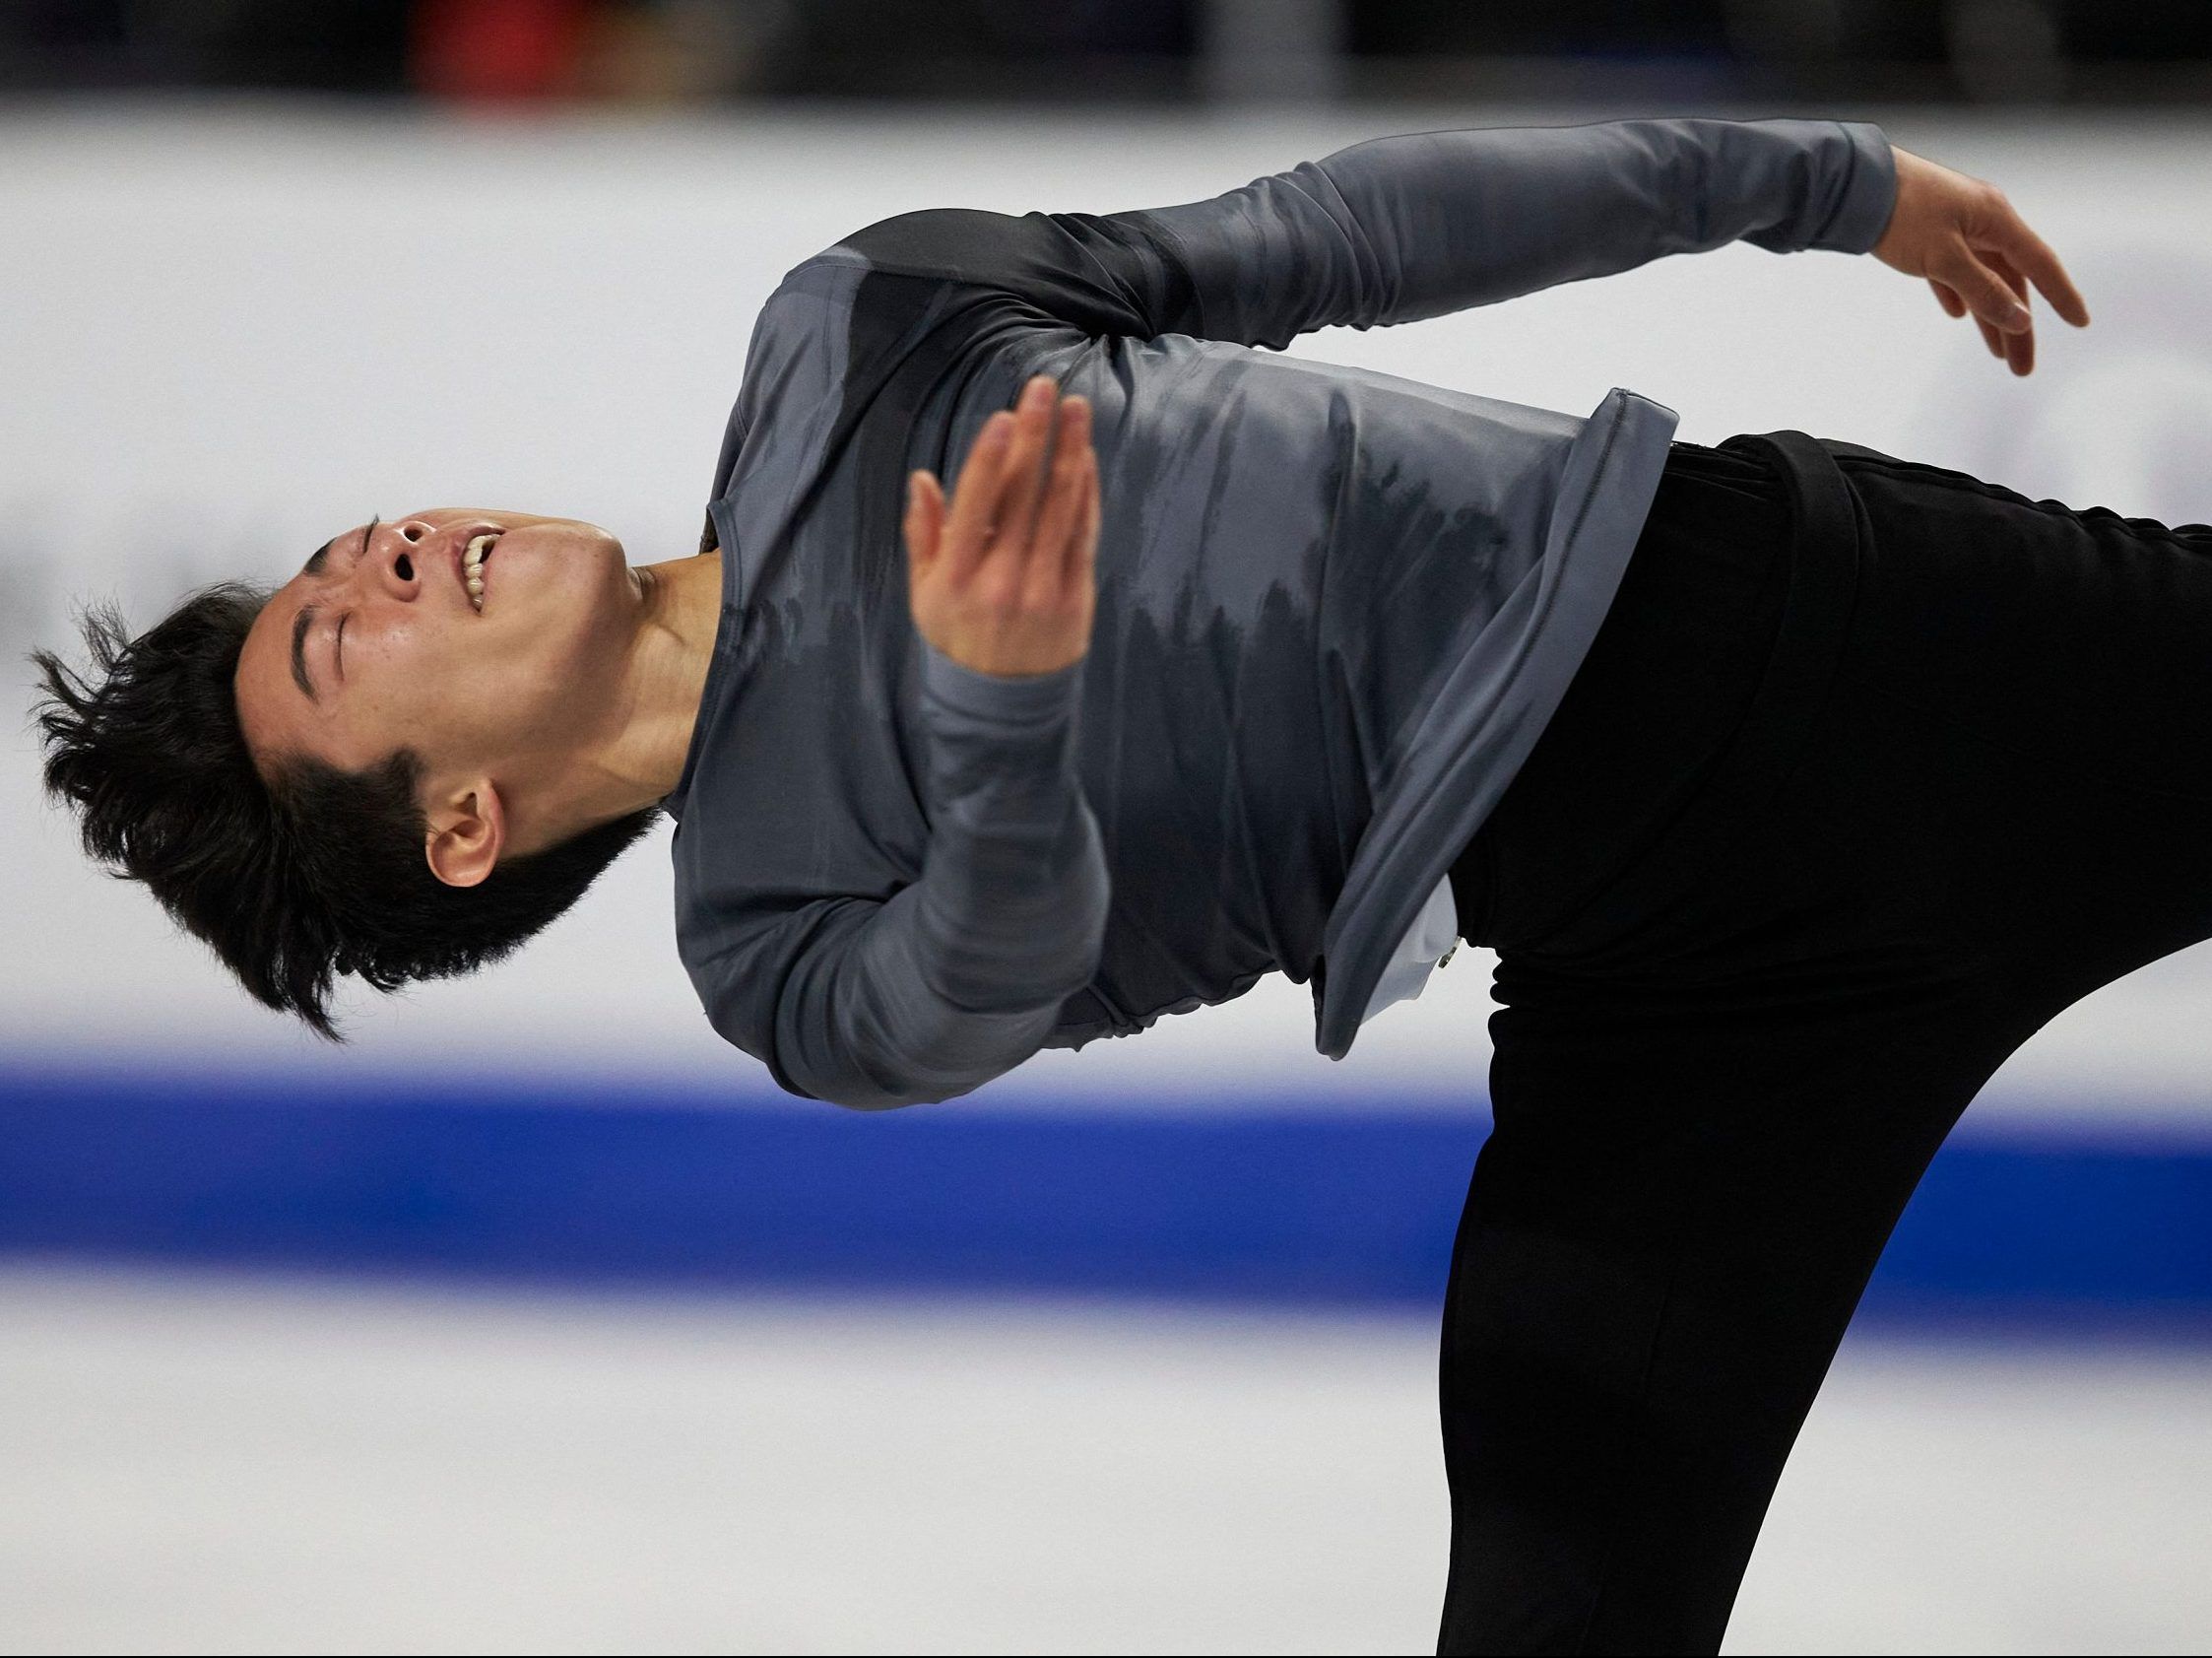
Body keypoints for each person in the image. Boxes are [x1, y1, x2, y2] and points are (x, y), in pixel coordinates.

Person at [41, 115, 2179, 1652]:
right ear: (457, 831)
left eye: (348, 546)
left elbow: (1336, 231)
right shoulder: (769, 952)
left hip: (1843, 651)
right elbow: (995, 963)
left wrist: (1803, 186)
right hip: (1662, 1011)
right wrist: (996, 702)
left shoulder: (853, 328)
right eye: (344, 634)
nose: (387, 550)